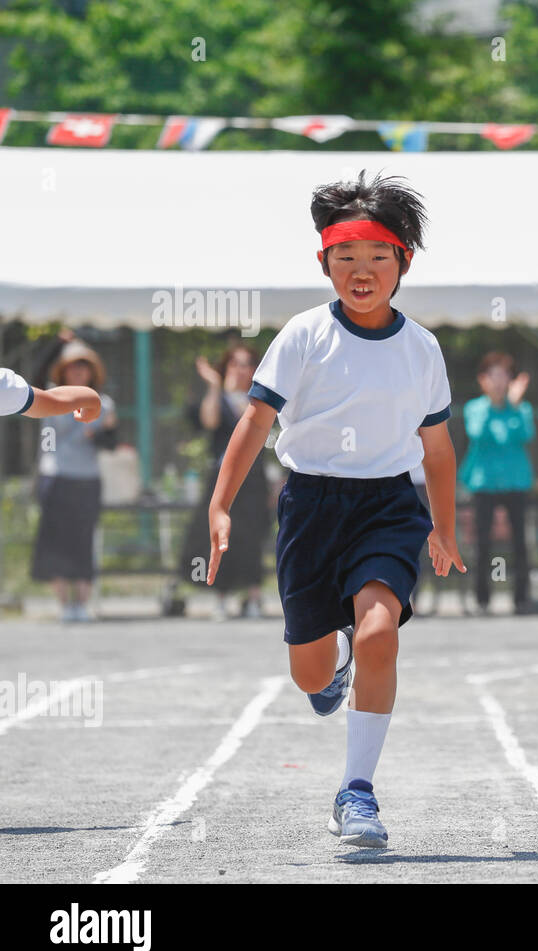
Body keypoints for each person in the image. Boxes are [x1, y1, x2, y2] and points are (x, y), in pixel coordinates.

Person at [206, 171, 464, 849]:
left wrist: (443, 525)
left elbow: (437, 451)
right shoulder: (301, 335)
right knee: (311, 675)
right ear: (323, 263)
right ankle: (335, 660)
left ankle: (357, 791)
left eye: (379, 258)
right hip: (311, 504)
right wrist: (221, 503)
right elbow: (255, 421)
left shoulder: (423, 349)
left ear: (402, 263)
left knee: (382, 630)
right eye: (345, 259)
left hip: (387, 505)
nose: (362, 271)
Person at [178, 345, 270, 620]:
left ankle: (253, 597)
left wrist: (236, 393)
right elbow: (209, 421)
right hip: (222, 478)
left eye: (247, 364)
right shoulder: (218, 396)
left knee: (251, 537)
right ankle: (221, 596)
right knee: (220, 537)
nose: (241, 369)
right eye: (235, 364)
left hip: (253, 480)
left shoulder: (259, 398)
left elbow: (253, 423)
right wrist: (217, 387)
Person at [30, 341, 118, 623]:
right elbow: (33, 378)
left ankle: (82, 603)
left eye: (84, 367)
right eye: (73, 367)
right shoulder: (50, 396)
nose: (79, 372)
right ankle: (64, 604)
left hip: (87, 477)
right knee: (56, 541)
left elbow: (111, 442)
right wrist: (57, 344)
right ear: (64, 372)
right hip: (56, 475)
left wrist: (102, 436)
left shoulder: (104, 403)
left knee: (83, 540)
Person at [460, 352, 534, 614]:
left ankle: (522, 598)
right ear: (483, 380)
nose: (499, 382)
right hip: (484, 483)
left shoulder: (521, 409)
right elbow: (477, 434)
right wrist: (494, 406)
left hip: (515, 482)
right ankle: (482, 599)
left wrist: (512, 406)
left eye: (504, 376)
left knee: (520, 542)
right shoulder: (475, 408)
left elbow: (526, 434)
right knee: (482, 542)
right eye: (494, 376)